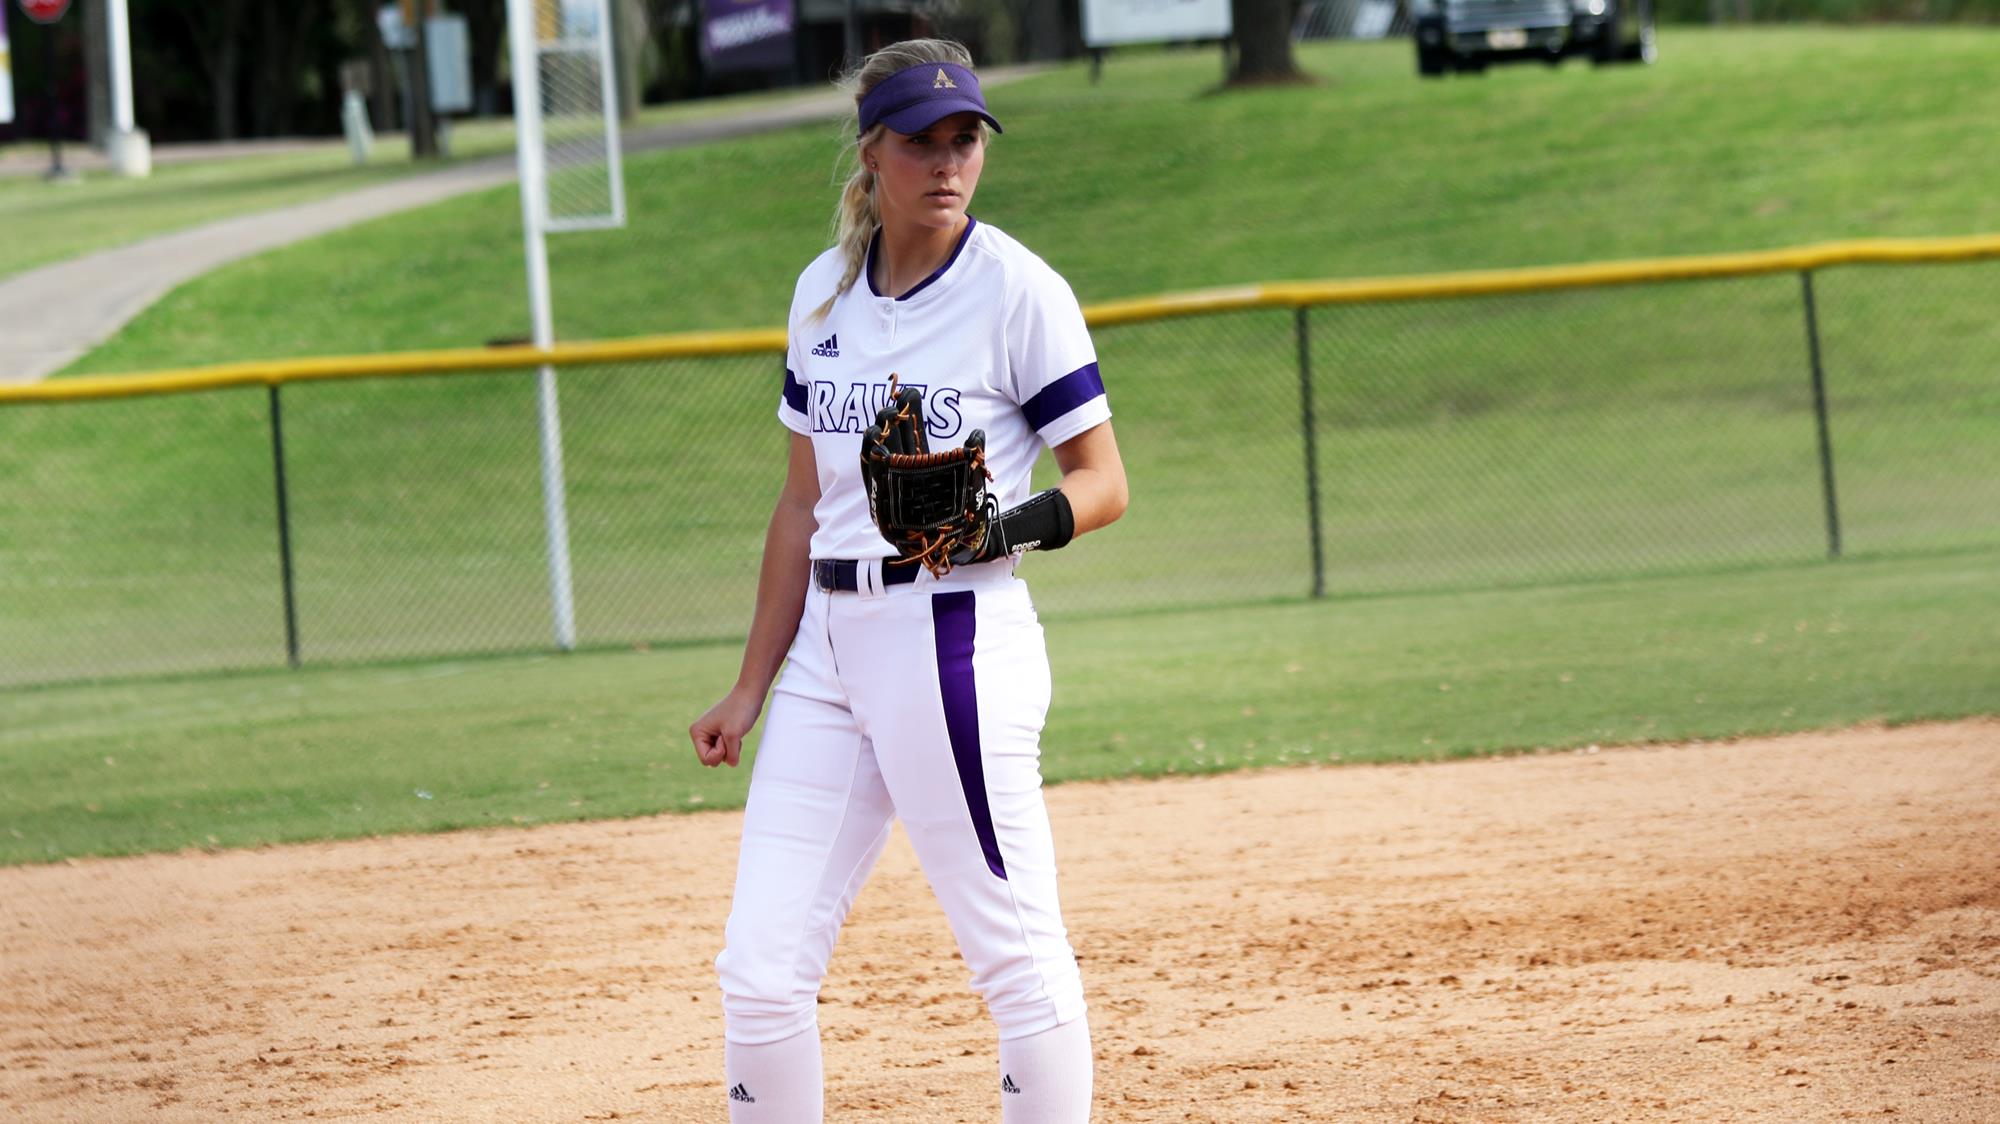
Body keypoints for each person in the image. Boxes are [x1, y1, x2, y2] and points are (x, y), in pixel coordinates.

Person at [687, 37, 1129, 1124]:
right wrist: (749, 684)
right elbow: (802, 505)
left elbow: (1103, 481)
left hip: (952, 638)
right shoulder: (822, 294)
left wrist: (1000, 526)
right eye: (922, 141)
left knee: (1012, 952)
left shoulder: (1016, 289)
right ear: (871, 152)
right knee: (759, 966)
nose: (947, 162)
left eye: (965, 139)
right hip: (826, 651)